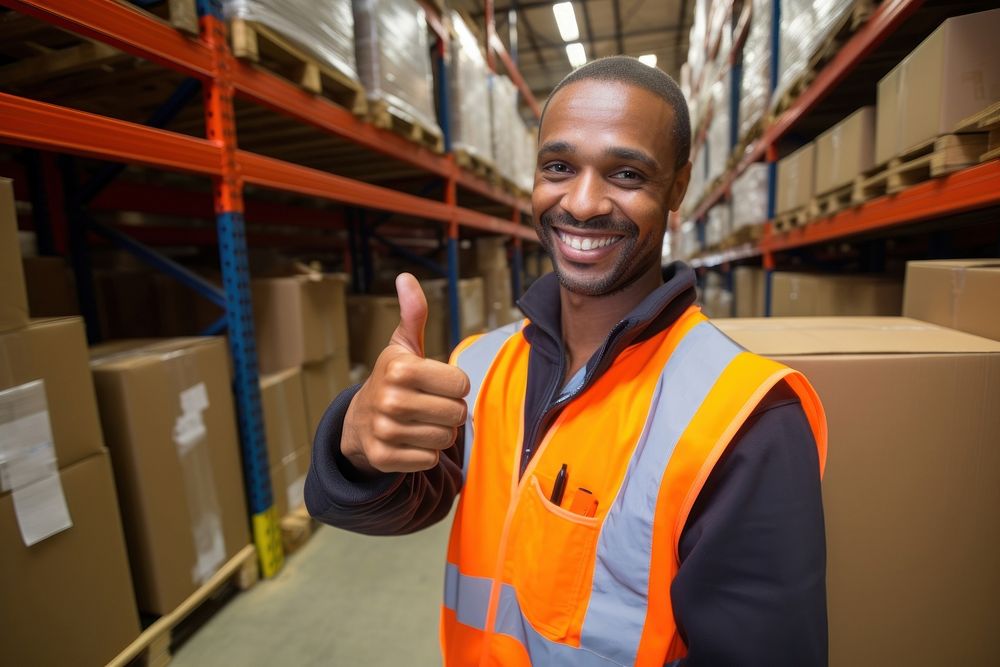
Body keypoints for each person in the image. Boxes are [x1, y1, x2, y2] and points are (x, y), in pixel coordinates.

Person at [306, 56, 828, 666]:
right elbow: (398, 510)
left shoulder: (747, 417)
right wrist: (354, 440)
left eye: (626, 173)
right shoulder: (482, 364)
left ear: (679, 187)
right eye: (559, 167)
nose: (581, 204)